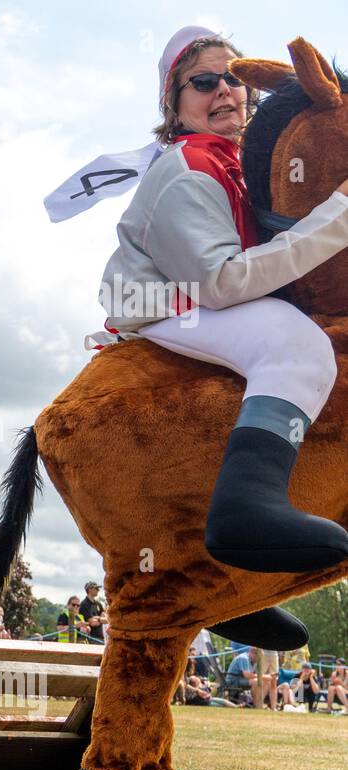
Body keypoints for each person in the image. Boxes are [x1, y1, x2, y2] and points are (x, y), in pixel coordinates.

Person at [95, 26, 348, 575]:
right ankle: (246, 514)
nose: (224, 92)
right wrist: (339, 215)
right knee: (294, 345)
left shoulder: (237, 163)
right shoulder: (188, 168)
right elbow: (221, 283)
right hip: (165, 305)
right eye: (203, 82)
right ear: (175, 103)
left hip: (197, 298)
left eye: (232, 80)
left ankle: (227, 583)